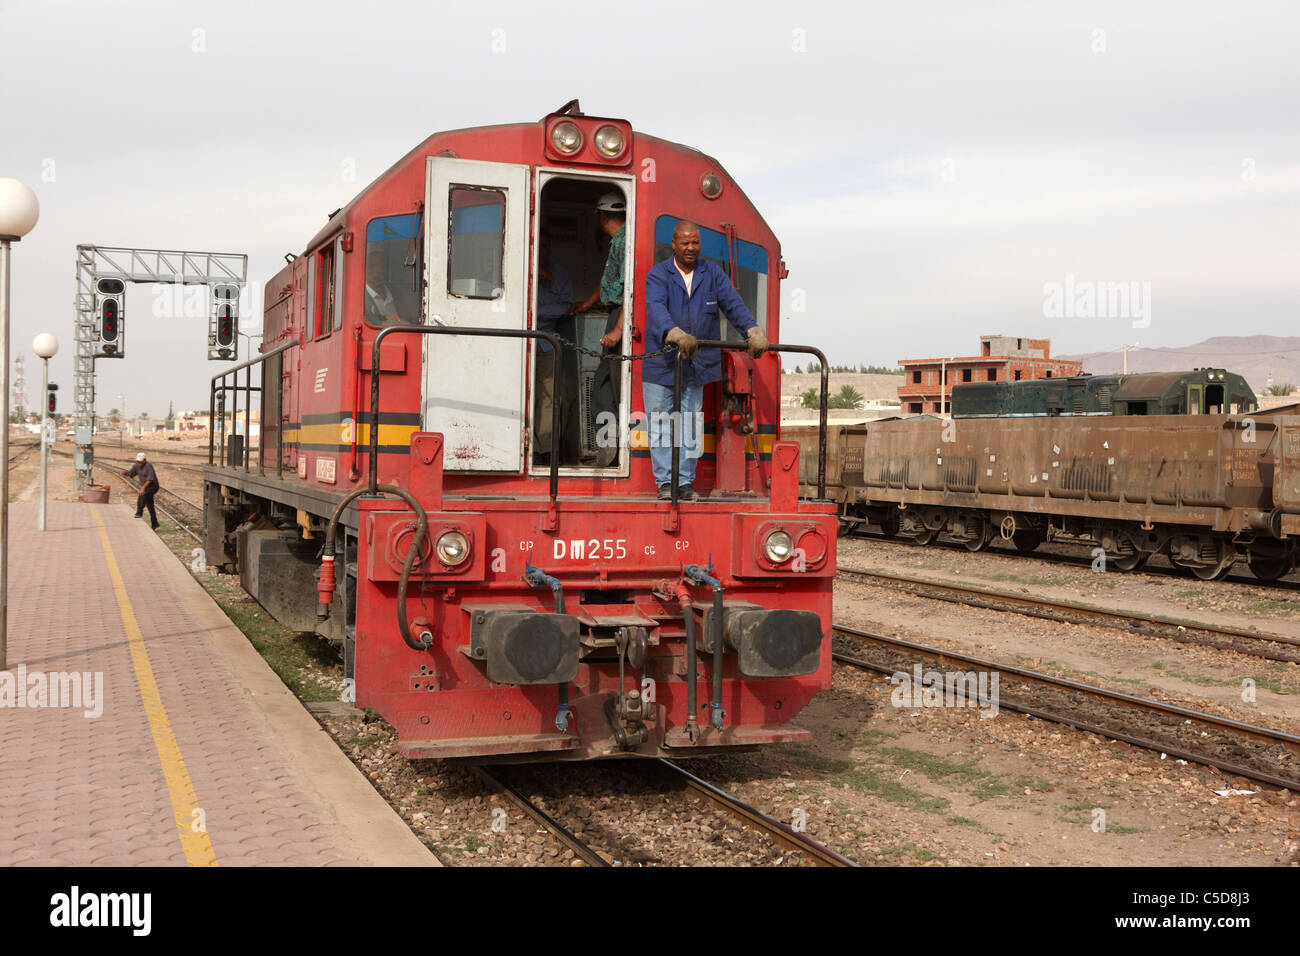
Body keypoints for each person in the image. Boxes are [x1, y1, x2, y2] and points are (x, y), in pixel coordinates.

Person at [643, 220, 769, 500]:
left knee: (690, 422)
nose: (691, 248)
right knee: (660, 423)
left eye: (695, 243)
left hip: (696, 364)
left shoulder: (711, 273)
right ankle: (665, 483)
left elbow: (733, 304)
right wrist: (673, 332)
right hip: (661, 363)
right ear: (673, 244)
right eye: (685, 243)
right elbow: (655, 308)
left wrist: (752, 328)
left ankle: (685, 483)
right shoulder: (658, 275)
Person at [571, 191, 627, 467]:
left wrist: (618, 328)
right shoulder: (619, 240)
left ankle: (612, 455)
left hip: (621, 317)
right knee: (605, 386)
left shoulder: (624, 242)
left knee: (610, 387)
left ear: (602, 216)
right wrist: (588, 304)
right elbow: (610, 283)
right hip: (615, 314)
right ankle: (609, 454)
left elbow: (630, 290)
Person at [534, 228, 577, 463]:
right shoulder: (517, 264)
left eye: (546, 247)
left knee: (550, 397)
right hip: (516, 343)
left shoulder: (558, 272)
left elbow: (565, 307)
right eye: (538, 246)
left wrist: (537, 316)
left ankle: (546, 451)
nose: (542, 252)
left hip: (547, 342)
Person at [123, 451, 160, 529]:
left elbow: (150, 479)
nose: (139, 463)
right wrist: (126, 473)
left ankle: (139, 512)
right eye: (137, 461)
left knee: (143, 494)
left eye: (140, 461)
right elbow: (131, 473)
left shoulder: (148, 466)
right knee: (150, 505)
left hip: (153, 486)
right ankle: (155, 523)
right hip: (146, 487)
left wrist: (143, 488)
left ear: (145, 460)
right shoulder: (136, 466)